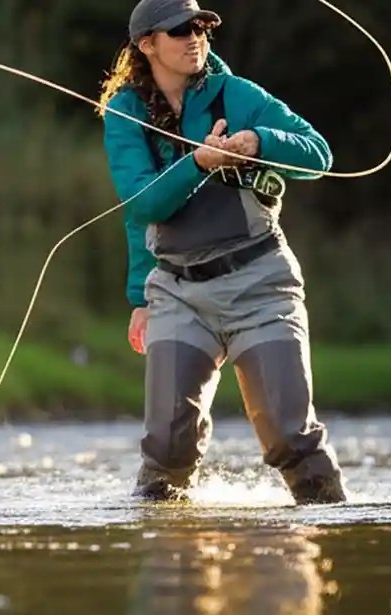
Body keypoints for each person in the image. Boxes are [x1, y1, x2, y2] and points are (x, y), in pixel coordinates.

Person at [98, 0, 347, 504]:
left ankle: (328, 535)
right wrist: (139, 297)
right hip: (177, 292)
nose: (195, 38)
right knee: (167, 448)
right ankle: (170, 560)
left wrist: (259, 140)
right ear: (147, 45)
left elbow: (318, 154)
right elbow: (143, 204)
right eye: (180, 30)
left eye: (201, 27)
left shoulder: (237, 93)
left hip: (260, 283)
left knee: (288, 435)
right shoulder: (124, 112)